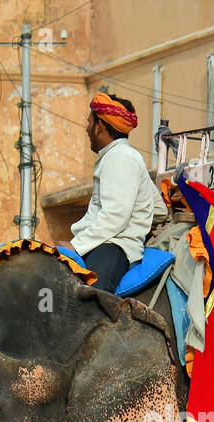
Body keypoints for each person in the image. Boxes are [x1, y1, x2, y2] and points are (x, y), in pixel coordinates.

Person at [69, 92, 168, 293]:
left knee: (89, 303)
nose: (87, 129)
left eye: (89, 122)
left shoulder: (119, 158)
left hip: (113, 247)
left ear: (100, 126)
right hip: (105, 242)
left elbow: (114, 217)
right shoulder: (123, 156)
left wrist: (76, 246)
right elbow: (158, 210)